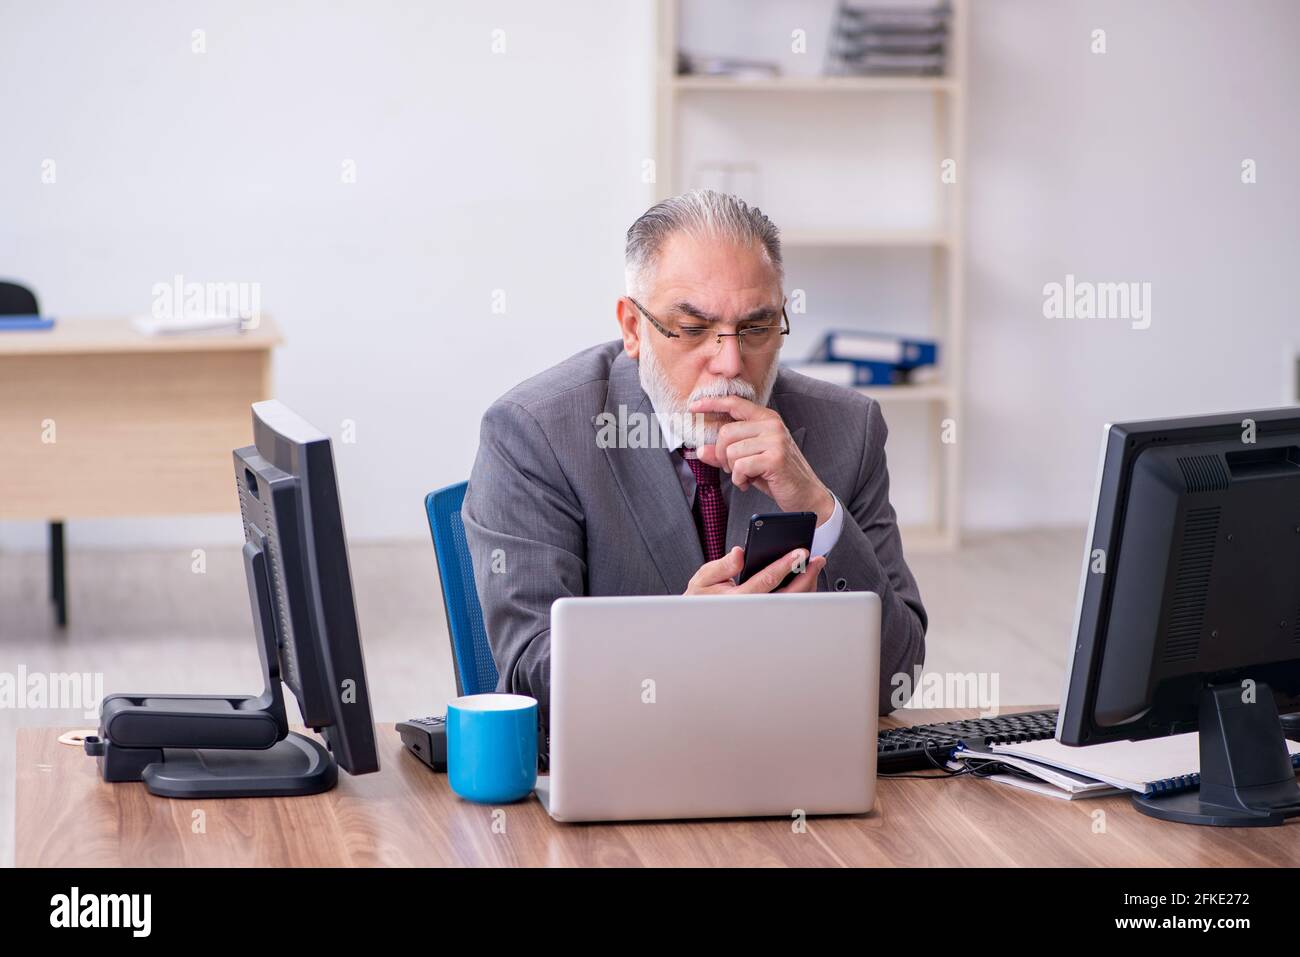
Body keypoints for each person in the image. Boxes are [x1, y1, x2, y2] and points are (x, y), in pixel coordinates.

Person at [463, 189, 926, 734]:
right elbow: (528, 676)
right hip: (627, 760)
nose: (730, 363)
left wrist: (822, 514)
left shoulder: (849, 428)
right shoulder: (537, 432)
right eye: (692, 329)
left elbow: (895, 677)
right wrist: (682, 639)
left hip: (785, 753)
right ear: (634, 329)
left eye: (756, 328)